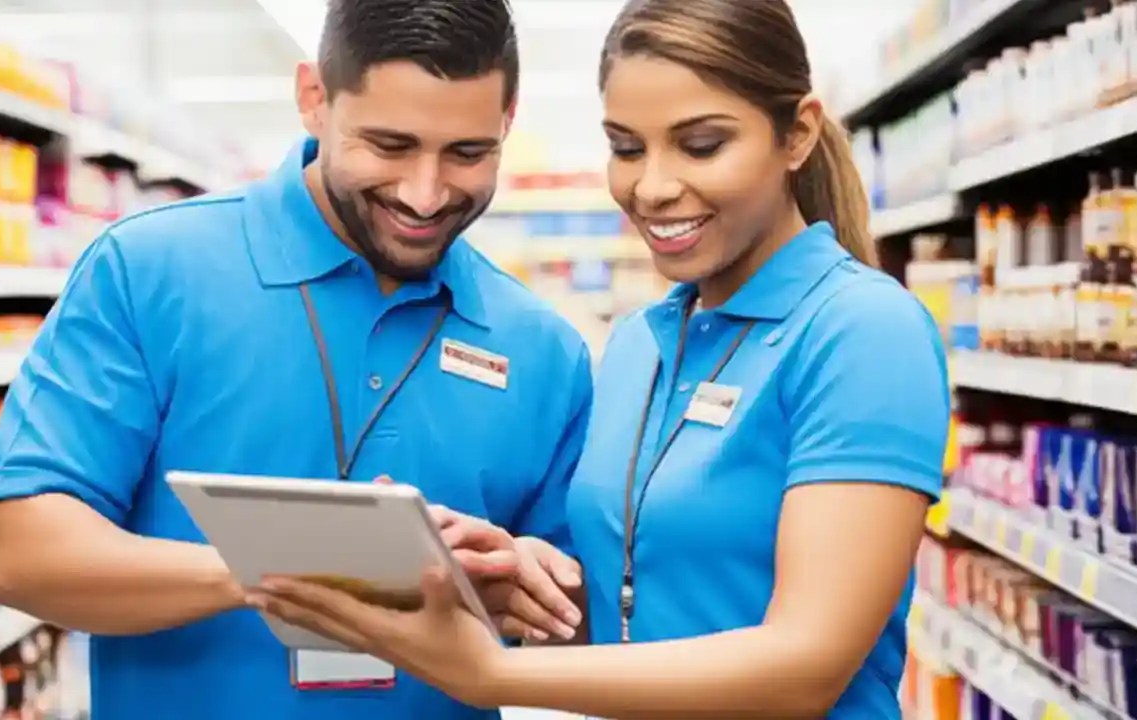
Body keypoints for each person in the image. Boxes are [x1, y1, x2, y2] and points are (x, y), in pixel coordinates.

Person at [246, 0, 951, 718]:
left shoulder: (862, 331)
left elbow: (806, 666)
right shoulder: (641, 344)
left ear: (796, 134)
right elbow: (644, 616)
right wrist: (522, 578)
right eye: (627, 147)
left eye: (701, 145)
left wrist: (489, 676)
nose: (652, 186)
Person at [0, 1, 592, 718]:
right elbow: (13, 553)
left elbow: (584, 630)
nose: (426, 193)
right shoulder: (148, 272)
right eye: (389, 145)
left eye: (467, 153)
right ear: (314, 99)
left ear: (508, 119)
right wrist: (300, 567)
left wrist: (540, 590)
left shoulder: (543, 348)